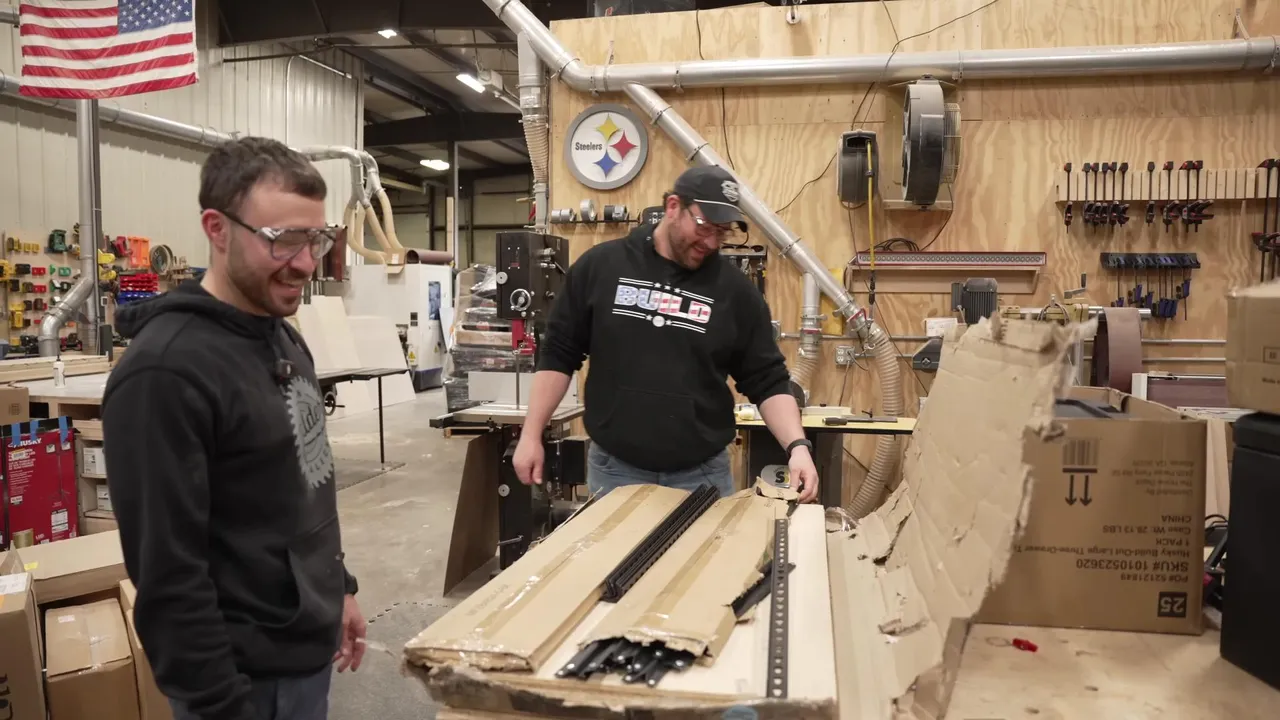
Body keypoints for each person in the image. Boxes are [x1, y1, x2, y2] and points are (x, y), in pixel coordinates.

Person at [103, 137, 365, 720]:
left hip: (305, 654)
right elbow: (169, 579)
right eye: (283, 240)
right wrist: (220, 704)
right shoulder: (165, 374)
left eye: (316, 239)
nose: (306, 263)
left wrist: (338, 588)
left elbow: (305, 486)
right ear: (216, 229)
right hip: (242, 684)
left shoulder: (284, 338)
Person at [512, 165, 820, 502]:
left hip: (702, 474)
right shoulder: (601, 267)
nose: (711, 242)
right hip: (616, 470)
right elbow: (559, 353)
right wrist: (531, 434)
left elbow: (767, 379)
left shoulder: (736, 293)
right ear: (673, 206)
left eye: (722, 232)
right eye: (704, 226)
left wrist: (798, 447)